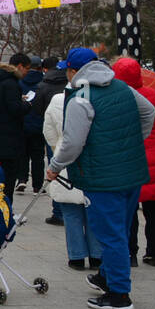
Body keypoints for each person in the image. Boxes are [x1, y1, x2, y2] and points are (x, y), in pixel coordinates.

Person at [47, 48, 155, 309]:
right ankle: (106, 276)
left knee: (110, 234)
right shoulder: (121, 87)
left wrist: (55, 166)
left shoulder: (81, 98)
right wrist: (130, 144)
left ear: (74, 71)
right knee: (121, 226)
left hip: (103, 177)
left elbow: (72, 142)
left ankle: (119, 295)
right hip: (131, 172)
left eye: (68, 71)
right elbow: (148, 112)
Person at [112, 57, 155, 268]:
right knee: (154, 209)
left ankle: (130, 253)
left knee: (128, 210)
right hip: (153, 156)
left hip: (128, 157)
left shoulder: (116, 96)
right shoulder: (153, 96)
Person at [42, 84, 100, 270]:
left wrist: (55, 148)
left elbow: (48, 130)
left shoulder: (57, 100)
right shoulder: (97, 99)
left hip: (64, 156)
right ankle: (96, 255)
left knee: (70, 212)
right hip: (93, 159)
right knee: (92, 211)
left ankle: (76, 256)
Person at [0, 53, 33, 202]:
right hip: (9, 137)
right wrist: (27, 105)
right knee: (9, 178)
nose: (27, 72)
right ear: (19, 66)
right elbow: (15, 109)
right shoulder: (11, 83)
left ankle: (0, 207)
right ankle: (6, 210)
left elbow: (2, 105)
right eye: (27, 68)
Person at [33, 57, 69, 225]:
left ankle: (58, 211)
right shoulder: (71, 87)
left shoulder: (43, 86)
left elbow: (39, 110)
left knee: (55, 169)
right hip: (76, 135)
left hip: (54, 135)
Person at [19, 56, 45, 193]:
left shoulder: (19, 81)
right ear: (40, 67)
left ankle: (22, 179)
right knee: (38, 157)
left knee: (23, 154)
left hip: (22, 123)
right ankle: (37, 185)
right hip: (39, 124)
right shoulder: (43, 82)